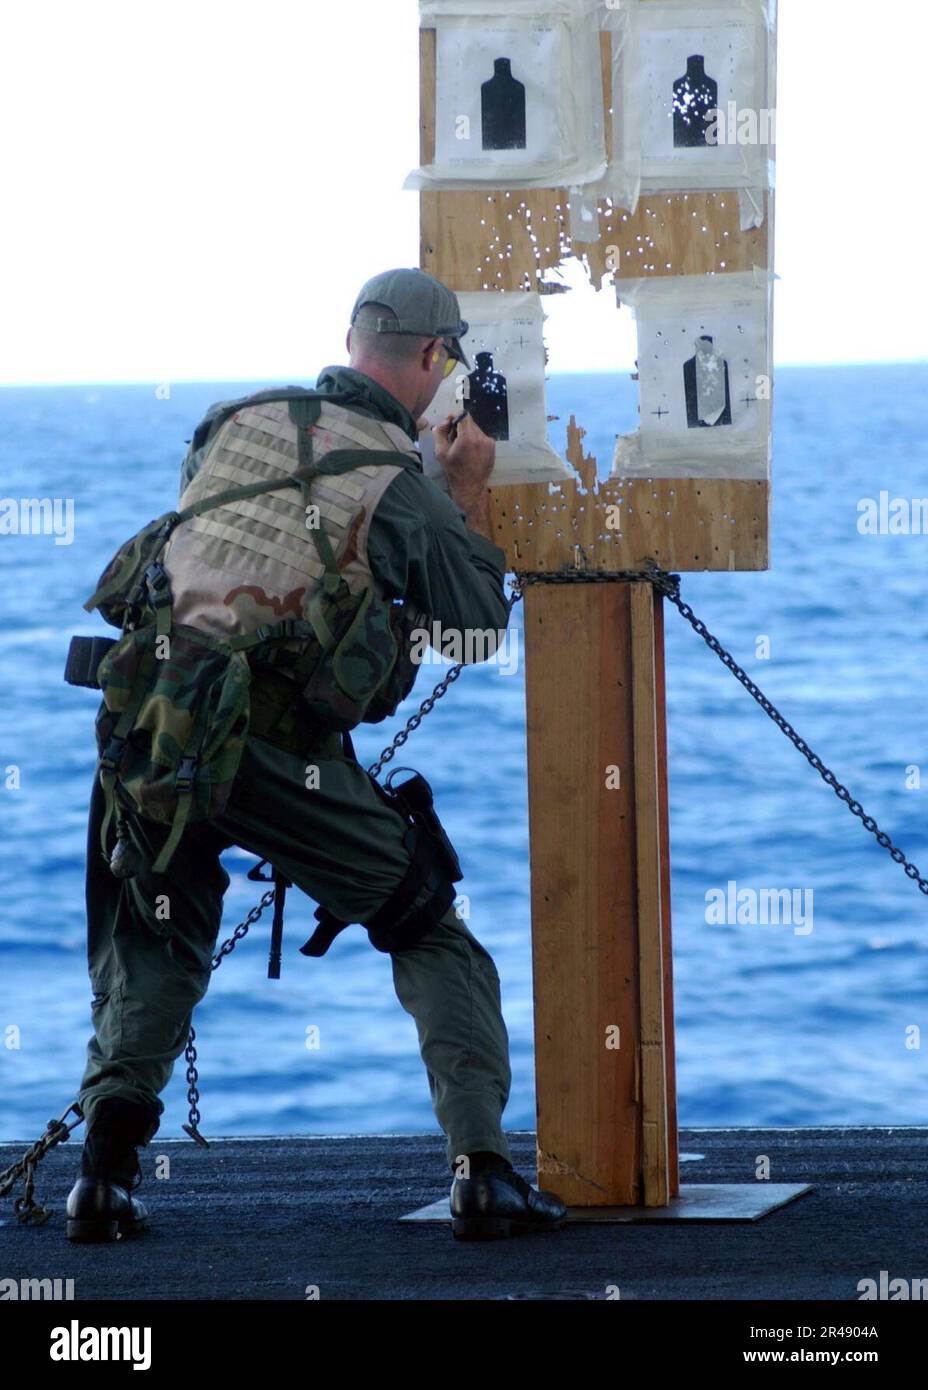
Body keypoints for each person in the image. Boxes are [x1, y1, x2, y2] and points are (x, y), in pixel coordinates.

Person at [66, 267, 566, 1244]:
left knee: (156, 931)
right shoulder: (397, 480)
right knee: (428, 921)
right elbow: (473, 629)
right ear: (432, 359)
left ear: (350, 339)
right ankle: (482, 1172)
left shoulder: (229, 420)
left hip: (147, 722)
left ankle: (102, 1181)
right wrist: (460, 490)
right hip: (265, 752)